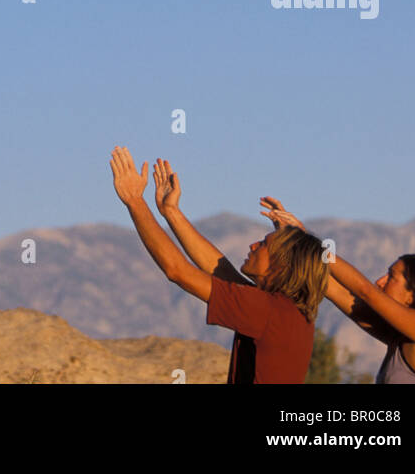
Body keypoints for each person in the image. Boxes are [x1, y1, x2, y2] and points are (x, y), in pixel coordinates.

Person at [110, 150, 327, 383]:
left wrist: (135, 201)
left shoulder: (266, 310)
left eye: (264, 245)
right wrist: (171, 212)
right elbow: (221, 272)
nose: (254, 245)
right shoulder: (288, 312)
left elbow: (177, 270)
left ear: (281, 267)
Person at [261, 196, 415, 384]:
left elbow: (364, 290)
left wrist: (306, 240)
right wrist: (295, 241)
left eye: (391, 276)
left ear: (412, 295)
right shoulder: (400, 338)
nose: (380, 281)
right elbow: (334, 289)